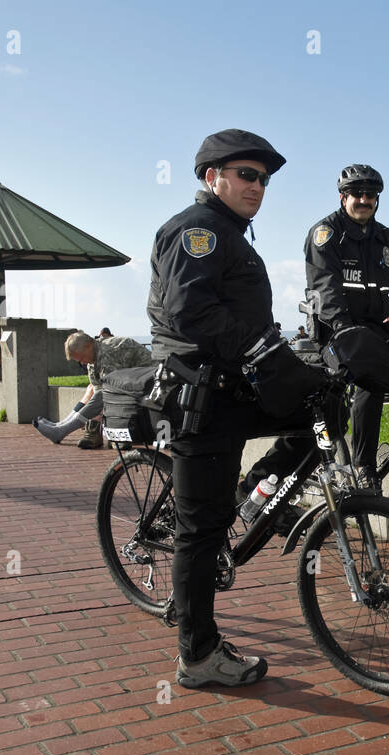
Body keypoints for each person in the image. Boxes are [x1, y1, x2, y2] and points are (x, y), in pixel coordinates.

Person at [148, 128, 326, 690]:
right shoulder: (197, 231)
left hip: (232, 388)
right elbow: (190, 313)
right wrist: (262, 350)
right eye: (247, 175)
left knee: (313, 420)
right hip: (198, 396)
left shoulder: (230, 233)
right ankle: (197, 656)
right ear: (212, 178)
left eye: (264, 179)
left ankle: (248, 495)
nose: (258, 186)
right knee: (200, 531)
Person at [303, 164, 389, 492]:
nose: (364, 200)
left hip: (378, 329)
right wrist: (346, 329)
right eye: (357, 194)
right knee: (370, 383)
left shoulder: (385, 238)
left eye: (371, 195)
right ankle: (365, 469)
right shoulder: (327, 234)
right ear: (342, 197)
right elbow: (325, 288)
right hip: (337, 333)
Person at [32, 332, 152, 445]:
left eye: (82, 357)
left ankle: (62, 430)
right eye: (79, 361)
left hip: (149, 384)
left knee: (104, 393)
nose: (83, 362)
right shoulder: (92, 358)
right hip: (135, 382)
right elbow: (97, 388)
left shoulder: (108, 352)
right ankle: (60, 426)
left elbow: (109, 390)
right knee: (95, 391)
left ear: (89, 345)